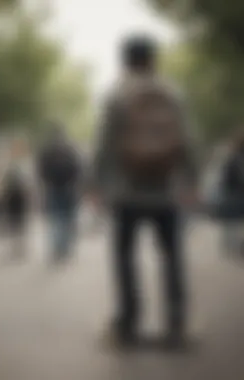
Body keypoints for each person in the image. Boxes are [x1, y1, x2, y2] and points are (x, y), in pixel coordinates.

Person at [92, 35, 199, 347]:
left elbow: (105, 145)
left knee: (124, 257)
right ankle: (176, 324)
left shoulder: (116, 95)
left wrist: (96, 183)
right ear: (154, 59)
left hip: (126, 191)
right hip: (166, 190)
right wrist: (192, 180)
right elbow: (188, 140)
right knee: (172, 257)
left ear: (124, 61)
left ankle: (127, 324)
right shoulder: (173, 93)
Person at [37, 124, 82, 264]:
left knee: (56, 219)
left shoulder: (47, 151)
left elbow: (41, 170)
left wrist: (46, 182)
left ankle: (58, 248)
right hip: (68, 188)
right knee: (66, 219)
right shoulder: (70, 150)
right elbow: (78, 169)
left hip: (54, 188)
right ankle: (64, 248)